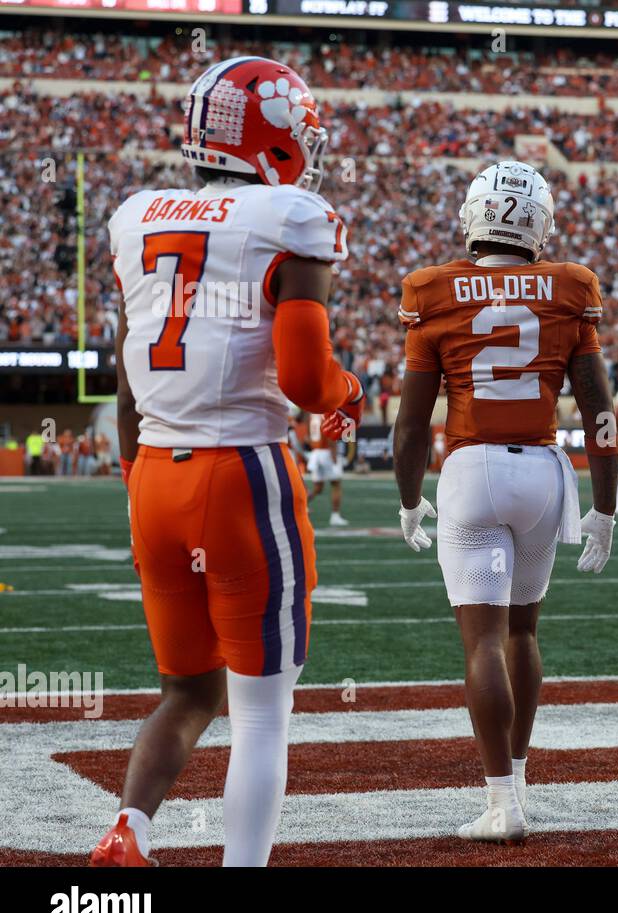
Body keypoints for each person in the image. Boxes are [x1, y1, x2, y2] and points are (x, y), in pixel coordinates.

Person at [92, 57, 363, 867]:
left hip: (153, 474)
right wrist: (349, 392)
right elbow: (307, 381)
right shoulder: (291, 216)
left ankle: (129, 830)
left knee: (188, 690)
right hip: (241, 473)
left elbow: (125, 368)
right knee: (261, 715)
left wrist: (133, 469)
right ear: (274, 138)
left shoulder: (135, 215)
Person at [392, 160, 618, 844]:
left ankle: (500, 805)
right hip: (545, 472)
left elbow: (410, 425)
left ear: (473, 217)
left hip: (472, 468)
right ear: (539, 224)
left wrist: (408, 500)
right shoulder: (569, 287)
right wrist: (605, 507)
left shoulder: (434, 290)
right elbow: (600, 410)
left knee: (483, 640)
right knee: (523, 633)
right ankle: (517, 781)